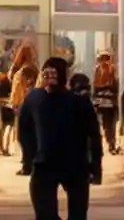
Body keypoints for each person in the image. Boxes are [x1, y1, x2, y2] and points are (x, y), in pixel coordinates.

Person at [19, 57, 103, 220]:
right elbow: (24, 131)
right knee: (46, 213)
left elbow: (93, 135)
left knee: (75, 214)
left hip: (73, 165)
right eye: (47, 74)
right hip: (47, 164)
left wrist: (95, 166)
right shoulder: (34, 99)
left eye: (53, 73)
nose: (50, 78)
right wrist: (29, 159)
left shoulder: (77, 102)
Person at [92, 53, 122, 156]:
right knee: (106, 125)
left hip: (111, 103)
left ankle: (111, 144)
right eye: (102, 60)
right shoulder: (97, 71)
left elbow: (115, 86)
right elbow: (95, 87)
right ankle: (110, 142)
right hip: (102, 103)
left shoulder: (112, 71)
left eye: (106, 60)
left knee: (111, 125)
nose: (104, 62)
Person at [13, 64, 36, 175]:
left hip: (26, 114)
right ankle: (28, 165)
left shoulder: (30, 87)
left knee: (24, 140)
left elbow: (18, 96)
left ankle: (28, 166)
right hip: (27, 114)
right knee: (26, 140)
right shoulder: (30, 87)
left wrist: (16, 106)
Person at [0, 67, 13, 156]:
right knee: (8, 125)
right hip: (6, 103)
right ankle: (6, 149)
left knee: (1, 128)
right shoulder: (5, 78)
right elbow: (10, 92)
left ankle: (2, 148)